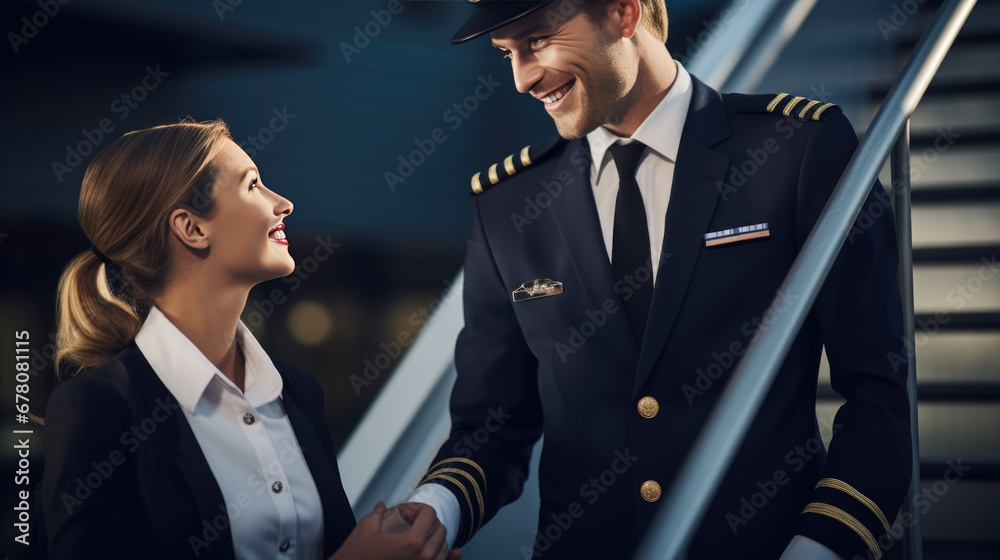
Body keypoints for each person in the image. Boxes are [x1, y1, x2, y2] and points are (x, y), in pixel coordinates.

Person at [396, 1, 912, 559]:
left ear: (623, 13)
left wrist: (822, 547)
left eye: (539, 41)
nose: (522, 79)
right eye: (507, 55)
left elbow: (879, 392)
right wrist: (434, 511)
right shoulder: (508, 203)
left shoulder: (797, 148)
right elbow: (493, 425)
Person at [39, 119, 458, 560]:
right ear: (192, 228)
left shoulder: (297, 392)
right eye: (254, 185)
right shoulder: (99, 406)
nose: (284, 204)